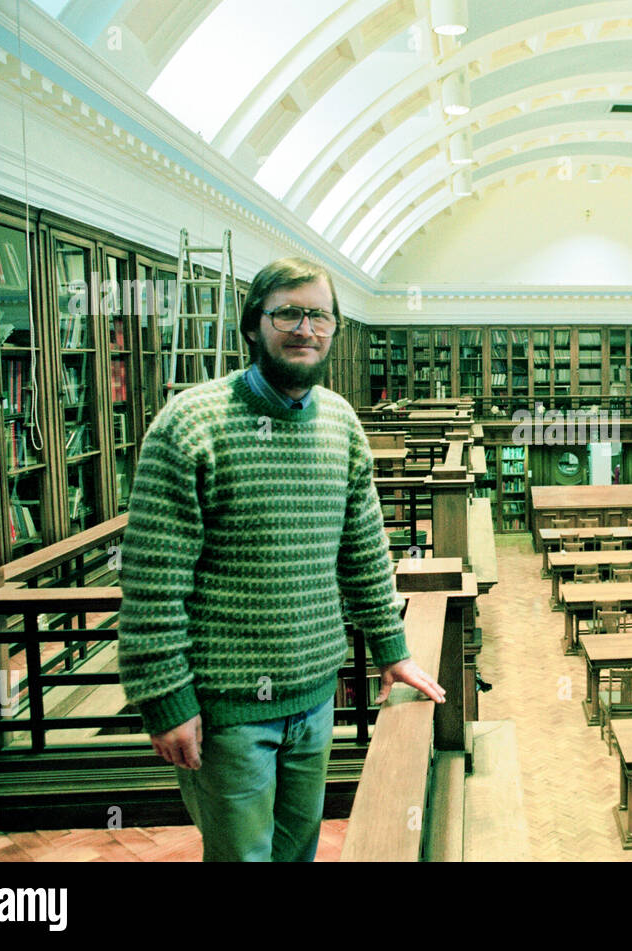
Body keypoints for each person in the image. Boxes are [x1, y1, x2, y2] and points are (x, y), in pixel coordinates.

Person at [117, 257, 444, 862]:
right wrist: (166, 700)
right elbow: (152, 583)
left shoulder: (341, 424)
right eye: (288, 313)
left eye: (319, 315)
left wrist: (393, 652)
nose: (305, 328)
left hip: (315, 695)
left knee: (297, 853)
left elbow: (364, 551)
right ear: (252, 325)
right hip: (227, 711)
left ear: (334, 329)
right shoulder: (190, 424)